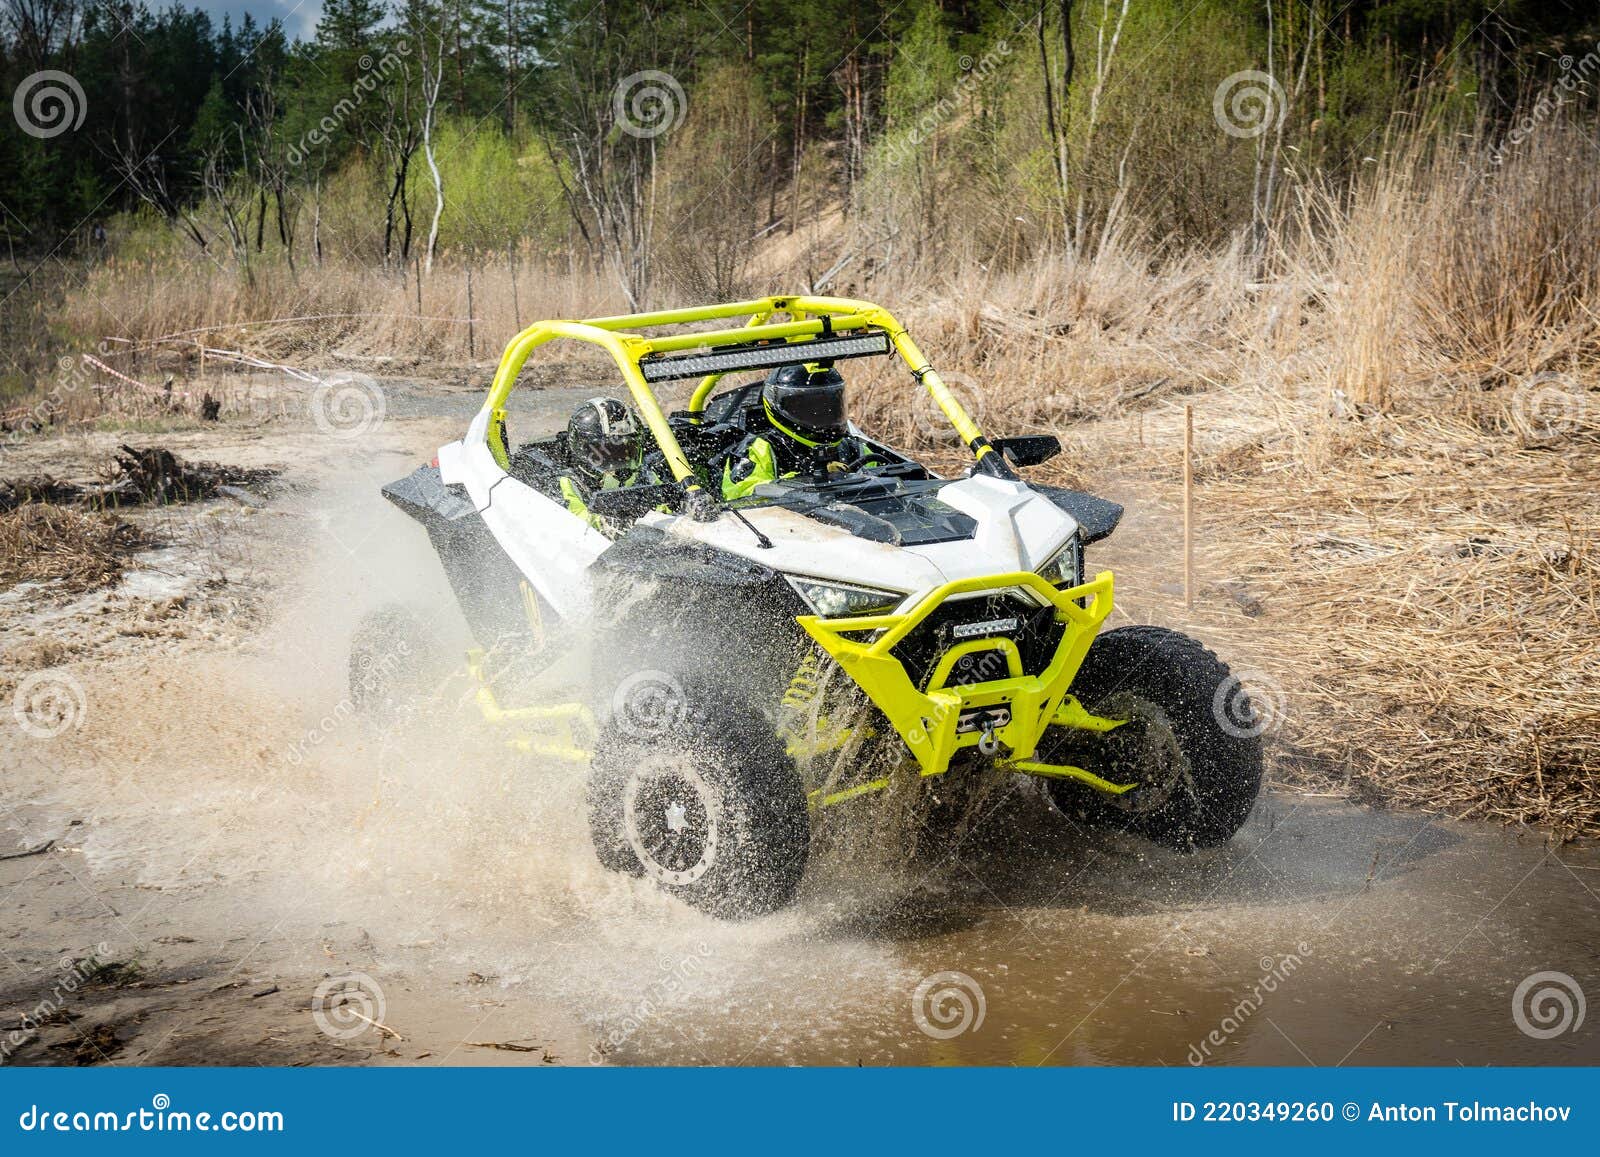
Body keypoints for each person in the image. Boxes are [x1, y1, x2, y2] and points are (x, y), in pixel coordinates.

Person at [719, 364, 880, 500]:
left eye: (827, 406)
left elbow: (885, 485)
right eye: (807, 408)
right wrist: (805, 482)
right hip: (787, 531)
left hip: (856, 527)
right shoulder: (761, 449)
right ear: (778, 407)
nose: (819, 414)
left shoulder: (853, 448)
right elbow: (740, 497)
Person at [558, 397, 655, 529]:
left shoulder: (645, 474)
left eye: (623, 452)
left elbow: (665, 504)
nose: (615, 463)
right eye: (606, 454)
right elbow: (574, 521)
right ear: (583, 451)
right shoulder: (569, 481)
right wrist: (608, 524)